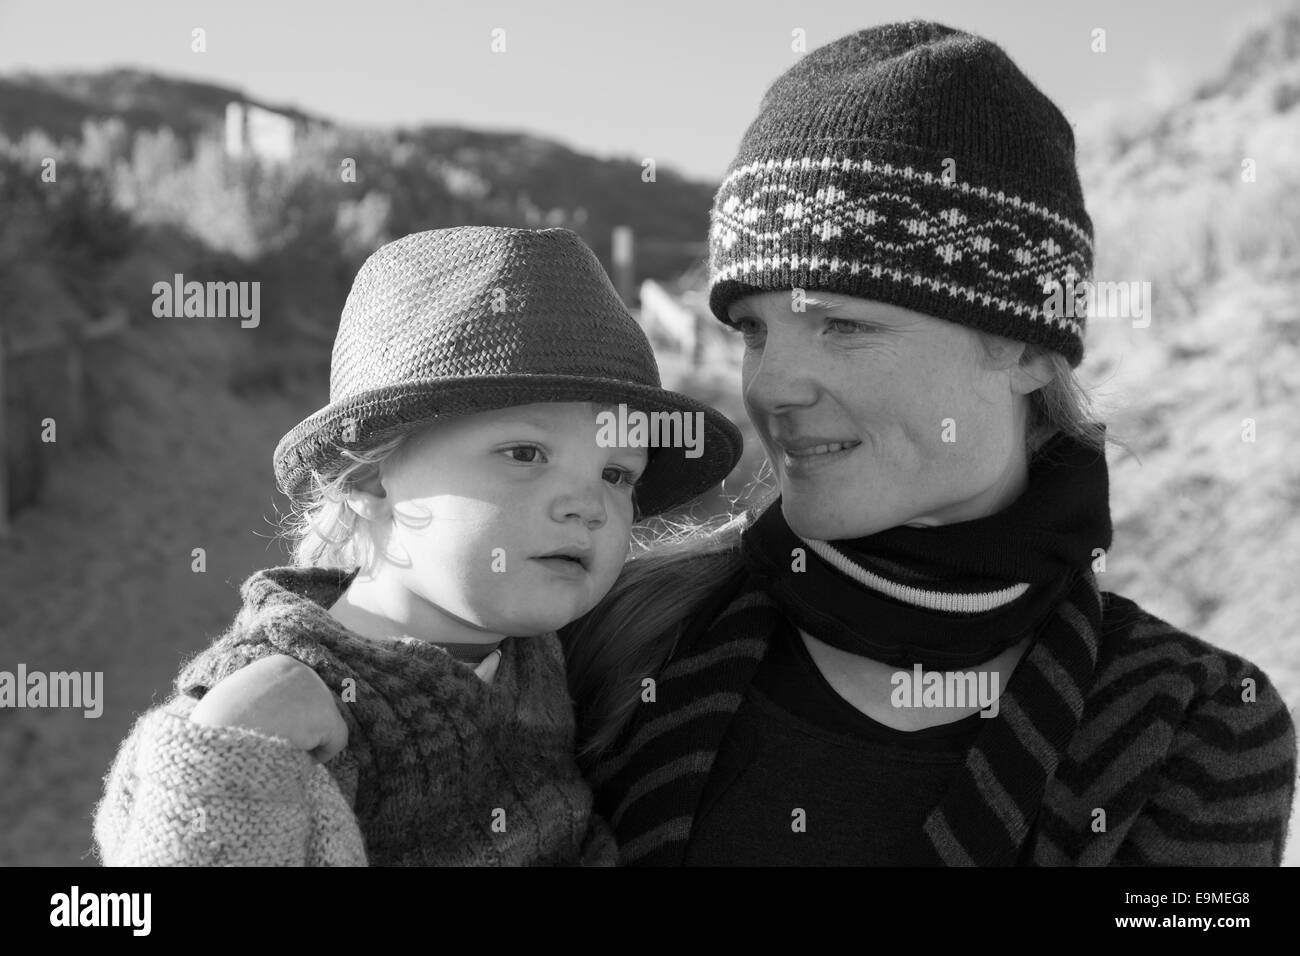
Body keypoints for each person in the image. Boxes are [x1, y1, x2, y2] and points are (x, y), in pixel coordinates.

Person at [559, 21, 1297, 865]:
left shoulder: (1197, 726)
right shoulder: (612, 637)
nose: (768, 386)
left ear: (1026, 350)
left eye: (843, 324)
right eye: (755, 331)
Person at [91, 226, 742, 866]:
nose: (589, 504)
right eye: (524, 452)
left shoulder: (534, 653)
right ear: (372, 476)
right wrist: (224, 754)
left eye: (616, 474)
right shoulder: (290, 698)